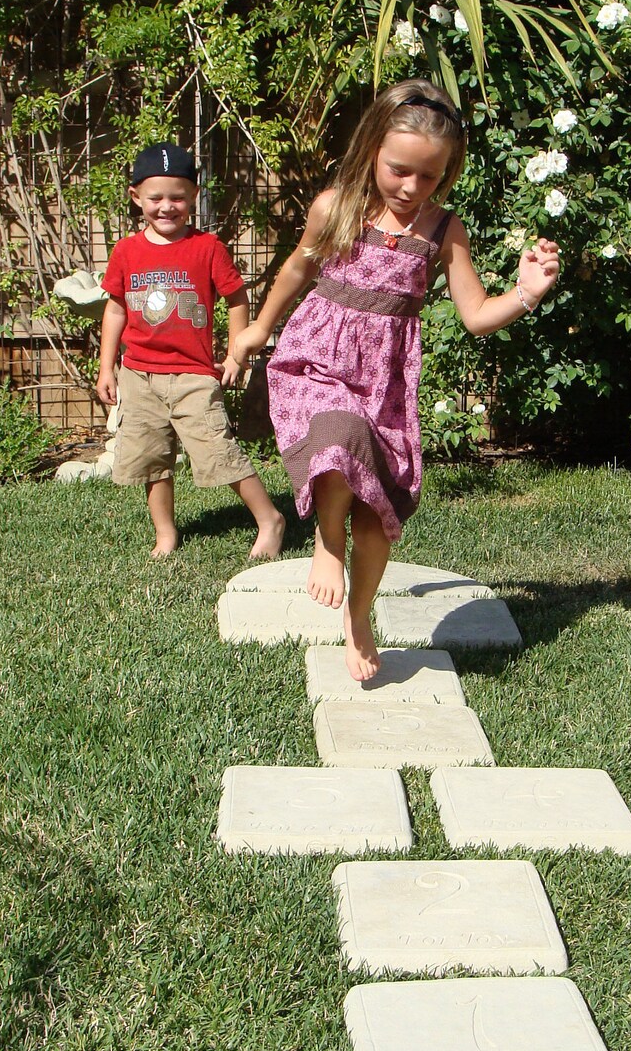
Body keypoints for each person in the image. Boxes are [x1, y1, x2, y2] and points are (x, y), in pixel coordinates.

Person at [232, 80, 560, 680]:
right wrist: (257, 330)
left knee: (377, 516)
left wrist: (526, 294)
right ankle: (328, 545)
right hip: (318, 359)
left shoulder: (442, 230)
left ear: (447, 173)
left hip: (385, 382)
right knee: (338, 439)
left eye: (428, 178)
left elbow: (476, 315)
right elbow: (296, 269)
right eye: (398, 170)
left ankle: (360, 615)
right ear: (371, 151)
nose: (411, 188)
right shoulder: (336, 208)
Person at [96, 142, 285, 559]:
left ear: (194, 196)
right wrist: (106, 367)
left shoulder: (208, 249)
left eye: (178, 197)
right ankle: (166, 533)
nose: (167, 207)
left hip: (194, 376)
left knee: (219, 451)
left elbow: (237, 299)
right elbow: (115, 310)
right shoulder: (126, 252)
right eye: (156, 198)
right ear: (136, 198)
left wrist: (237, 354)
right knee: (152, 460)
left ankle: (270, 518)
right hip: (139, 374)